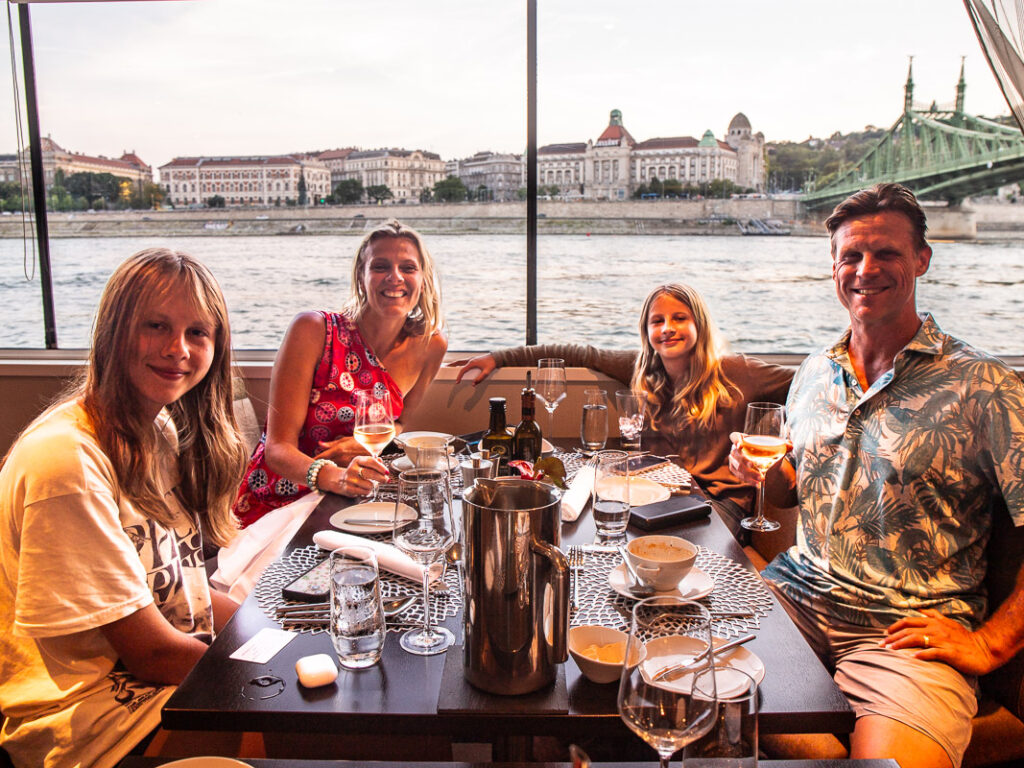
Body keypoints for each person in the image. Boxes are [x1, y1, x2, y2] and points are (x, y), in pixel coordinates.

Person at [729, 183, 1024, 768]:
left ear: (921, 259)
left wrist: (992, 642)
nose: (865, 270)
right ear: (833, 268)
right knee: (657, 673)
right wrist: (760, 472)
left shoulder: (984, 385)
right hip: (793, 597)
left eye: (885, 253)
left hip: (906, 632)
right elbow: (799, 490)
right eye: (850, 257)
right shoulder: (812, 371)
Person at [0, 249, 249, 766]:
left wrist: (278, 628)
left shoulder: (155, 430)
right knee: (313, 734)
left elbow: (184, 591)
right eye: (155, 325)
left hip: (150, 688)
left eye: (198, 333)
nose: (177, 349)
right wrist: (269, 674)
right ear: (114, 330)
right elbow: (153, 652)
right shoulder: (67, 460)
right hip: (90, 726)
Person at [453, 282, 793, 534]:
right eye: (657, 321)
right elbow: (576, 353)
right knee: (594, 528)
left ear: (699, 325)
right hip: (658, 495)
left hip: (721, 505)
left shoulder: (737, 371)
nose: (667, 328)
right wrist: (499, 358)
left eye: (679, 318)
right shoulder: (642, 368)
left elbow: (806, 379)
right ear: (646, 332)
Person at [233, 219, 447, 527]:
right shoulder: (312, 329)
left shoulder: (432, 345)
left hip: (351, 494)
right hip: (283, 498)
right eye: (380, 266)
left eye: (408, 268)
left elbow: (400, 422)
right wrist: (335, 477)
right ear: (361, 278)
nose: (395, 278)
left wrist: (363, 444)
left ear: (423, 280)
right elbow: (277, 450)